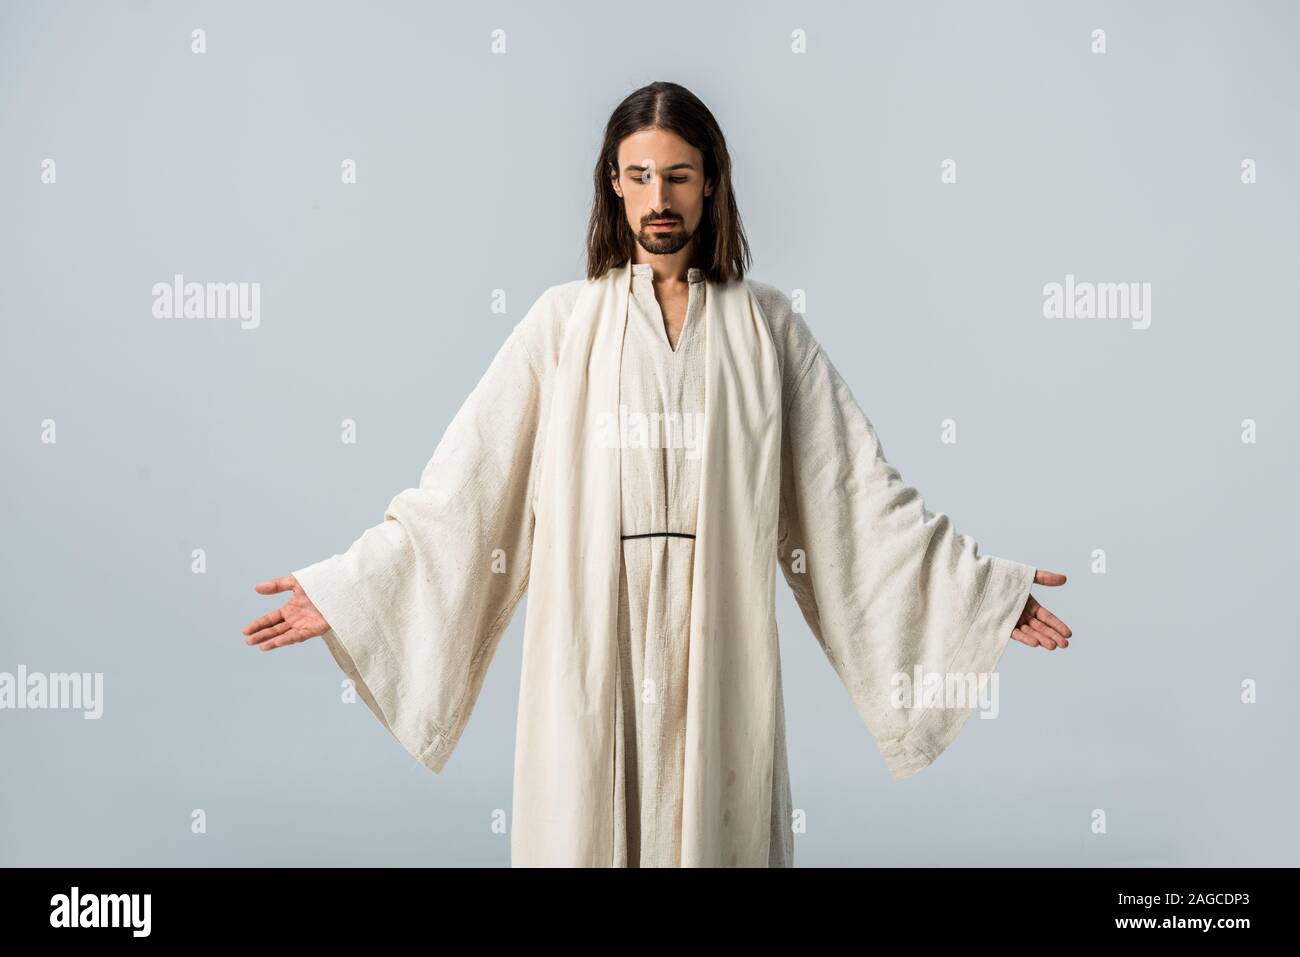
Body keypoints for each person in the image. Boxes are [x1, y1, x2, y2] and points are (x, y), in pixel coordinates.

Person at [241, 81, 1071, 868]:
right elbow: (465, 484)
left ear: (710, 183)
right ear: (614, 184)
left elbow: (853, 489)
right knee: (587, 811)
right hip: (591, 634)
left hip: (722, 632)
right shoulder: (562, 326)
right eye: (639, 175)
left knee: (720, 817)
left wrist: (980, 593)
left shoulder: (765, 325)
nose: (659, 197)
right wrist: (352, 589)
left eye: (678, 175)